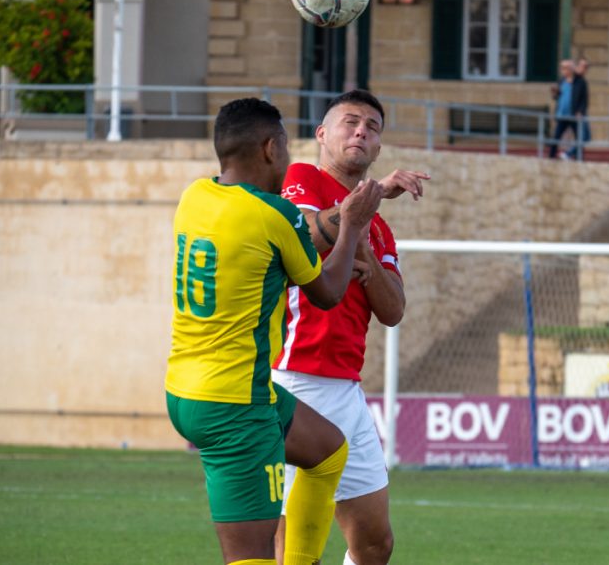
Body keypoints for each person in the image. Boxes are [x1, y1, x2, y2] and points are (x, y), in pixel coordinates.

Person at [166, 97, 384, 565]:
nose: (288, 159)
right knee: (252, 556)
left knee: (328, 452)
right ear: (269, 149)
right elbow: (327, 293)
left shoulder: (195, 196)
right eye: (284, 148)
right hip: (233, 404)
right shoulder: (274, 216)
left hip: (186, 386)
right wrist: (350, 227)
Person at [272, 90, 430, 565]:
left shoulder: (379, 229)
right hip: (295, 381)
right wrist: (372, 198)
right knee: (294, 550)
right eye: (350, 122)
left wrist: (369, 263)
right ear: (322, 134)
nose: (361, 130)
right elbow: (302, 232)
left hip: (347, 393)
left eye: (373, 127)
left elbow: (394, 309)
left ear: (379, 147)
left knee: (374, 544)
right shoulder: (302, 178)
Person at [549, 59, 588, 160]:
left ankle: (579, 159)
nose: (563, 70)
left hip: (573, 115)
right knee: (556, 137)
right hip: (562, 114)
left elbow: (584, 99)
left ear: (571, 69)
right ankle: (551, 157)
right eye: (562, 68)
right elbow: (556, 97)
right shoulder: (561, 81)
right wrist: (554, 93)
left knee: (579, 138)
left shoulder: (580, 82)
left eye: (565, 68)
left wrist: (580, 111)